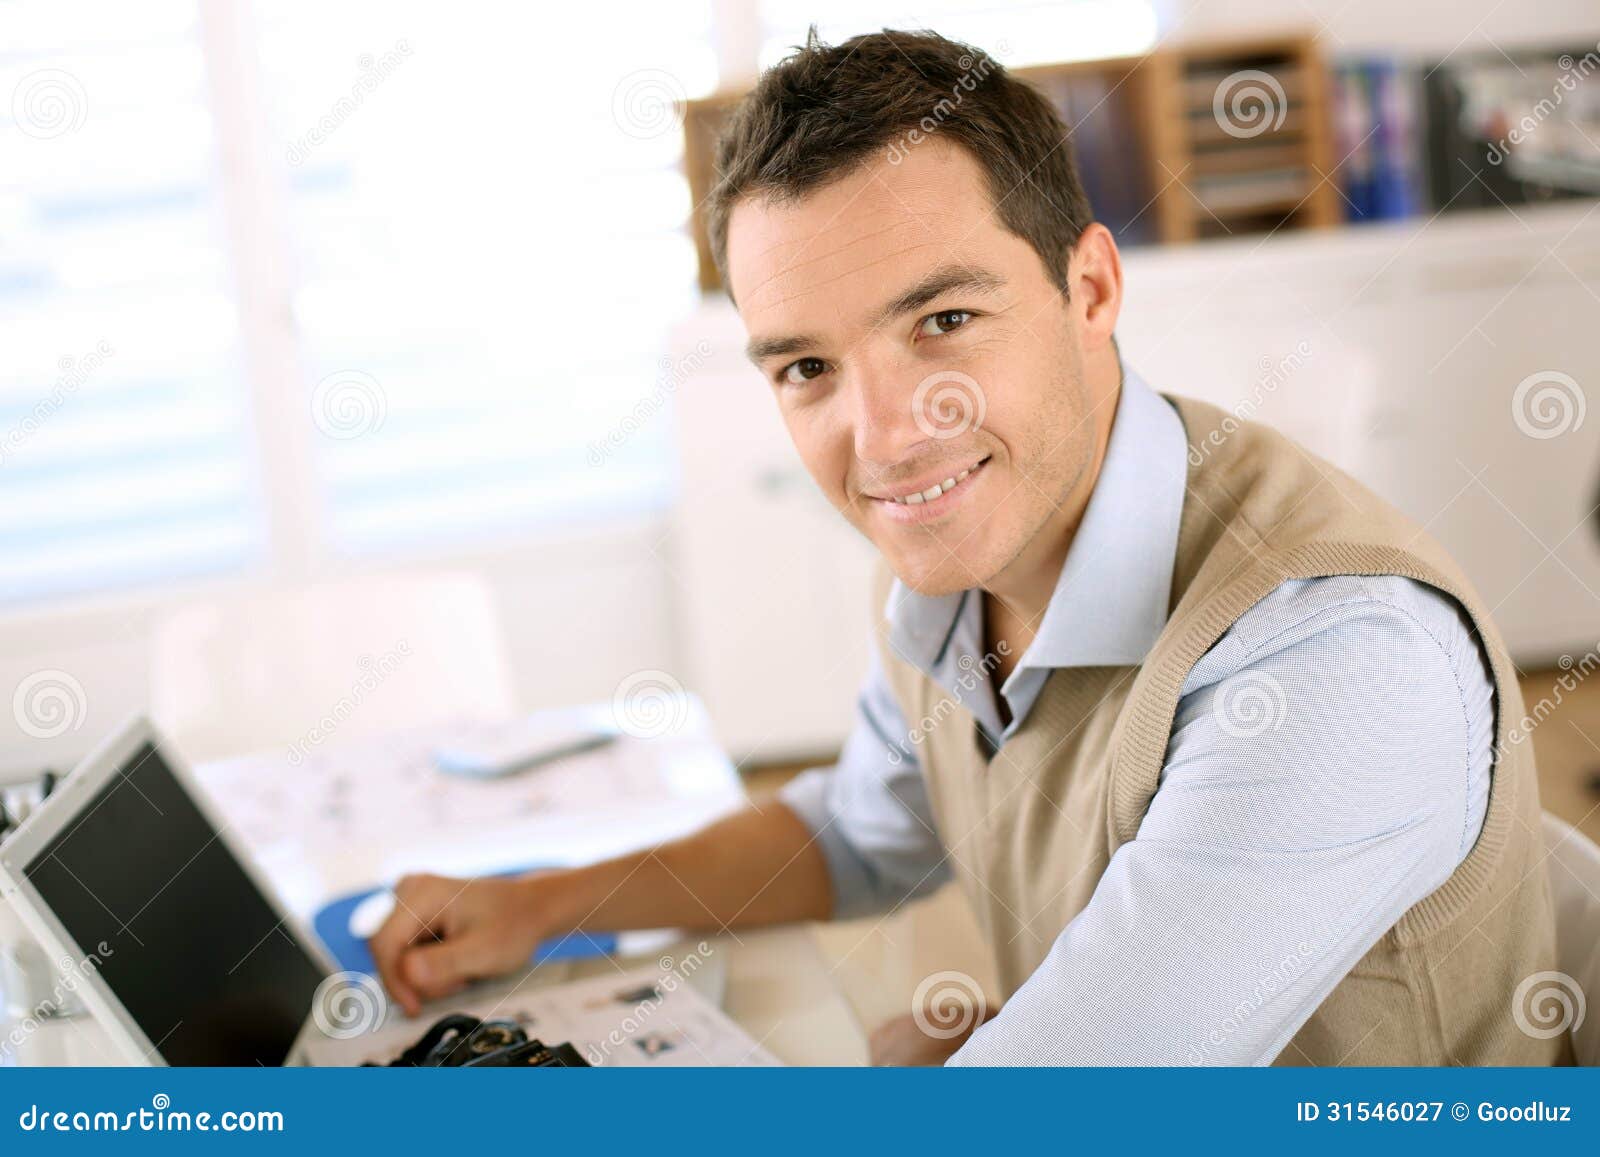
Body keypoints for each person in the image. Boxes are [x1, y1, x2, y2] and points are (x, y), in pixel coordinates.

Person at [370, 29, 1571, 1065]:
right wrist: (539, 904)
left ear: (1089, 288)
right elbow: (854, 831)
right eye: (807, 368)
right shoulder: (964, 561)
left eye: (943, 321)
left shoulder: (1341, 655)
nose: (884, 436)